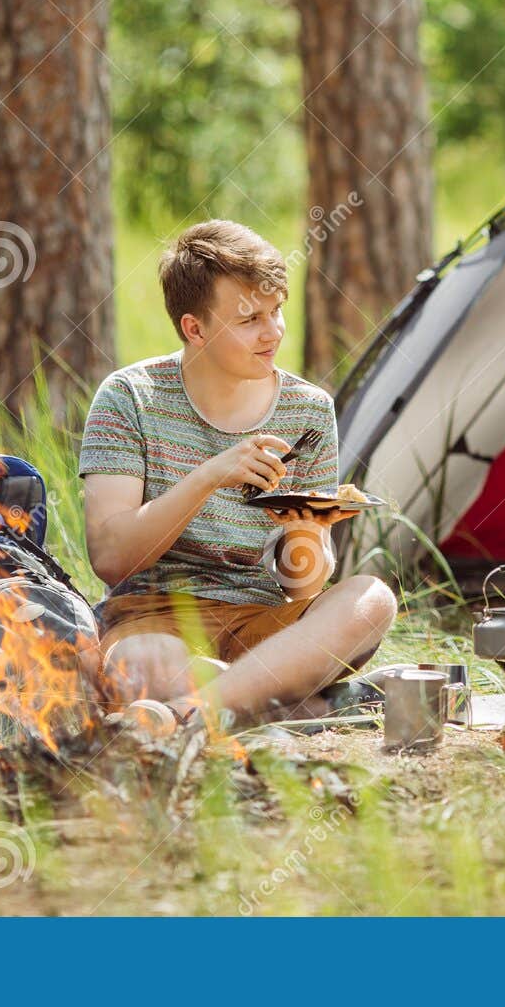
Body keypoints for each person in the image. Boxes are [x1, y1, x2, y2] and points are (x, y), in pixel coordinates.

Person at [78, 219, 398, 729]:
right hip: (155, 615)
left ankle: (198, 707)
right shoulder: (130, 398)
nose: (272, 332)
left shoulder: (307, 410)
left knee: (372, 598)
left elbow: (303, 591)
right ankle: (294, 701)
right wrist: (208, 477)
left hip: (266, 620)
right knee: (141, 663)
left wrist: (310, 534)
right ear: (195, 328)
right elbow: (111, 557)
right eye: (249, 319)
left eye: (277, 312)